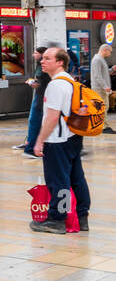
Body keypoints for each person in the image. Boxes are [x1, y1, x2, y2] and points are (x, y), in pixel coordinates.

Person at [30, 46, 91, 235]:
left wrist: (40, 140)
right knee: (76, 179)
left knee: (58, 181)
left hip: (57, 140)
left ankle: (57, 219)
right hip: (73, 137)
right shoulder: (70, 81)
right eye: (43, 58)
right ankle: (82, 217)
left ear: (60, 62)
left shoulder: (56, 85)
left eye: (47, 58)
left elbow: (52, 117)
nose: (42, 61)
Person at [17, 45, 50, 154]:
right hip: (40, 97)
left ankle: (31, 147)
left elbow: (40, 83)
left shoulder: (42, 66)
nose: (33, 55)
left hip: (41, 98)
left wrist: (33, 83)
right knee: (36, 122)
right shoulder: (40, 65)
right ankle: (31, 144)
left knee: (35, 121)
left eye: (35, 53)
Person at [91, 44, 114, 133]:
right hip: (99, 88)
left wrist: (112, 69)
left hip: (101, 88)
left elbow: (103, 73)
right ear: (105, 50)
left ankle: (103, 126)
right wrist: (105, 86)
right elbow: (97, 76)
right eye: (110, 52)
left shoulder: (100, 59)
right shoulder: (97, 60)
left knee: (104, 107)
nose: (110, 54)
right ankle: (103, 127)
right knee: (101, 108)